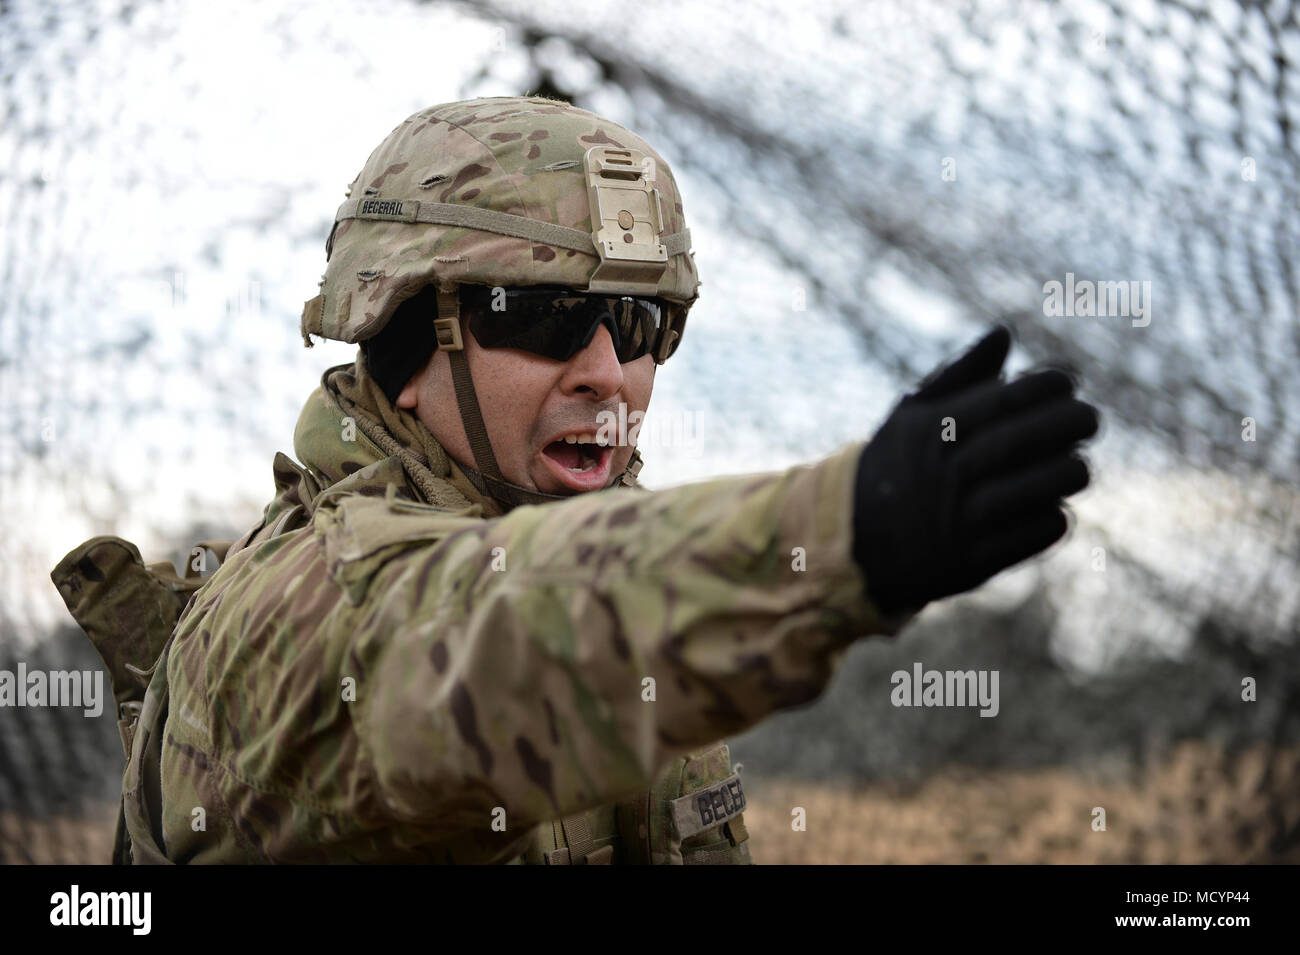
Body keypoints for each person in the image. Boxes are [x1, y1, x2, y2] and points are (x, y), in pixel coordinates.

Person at [51, 95, 1099, 864]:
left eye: (641, 324)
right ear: (410, 345)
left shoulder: (610, 549)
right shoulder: (292, 614)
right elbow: (486, 634)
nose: (608, 371)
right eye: (541, 317)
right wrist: (840, 531)